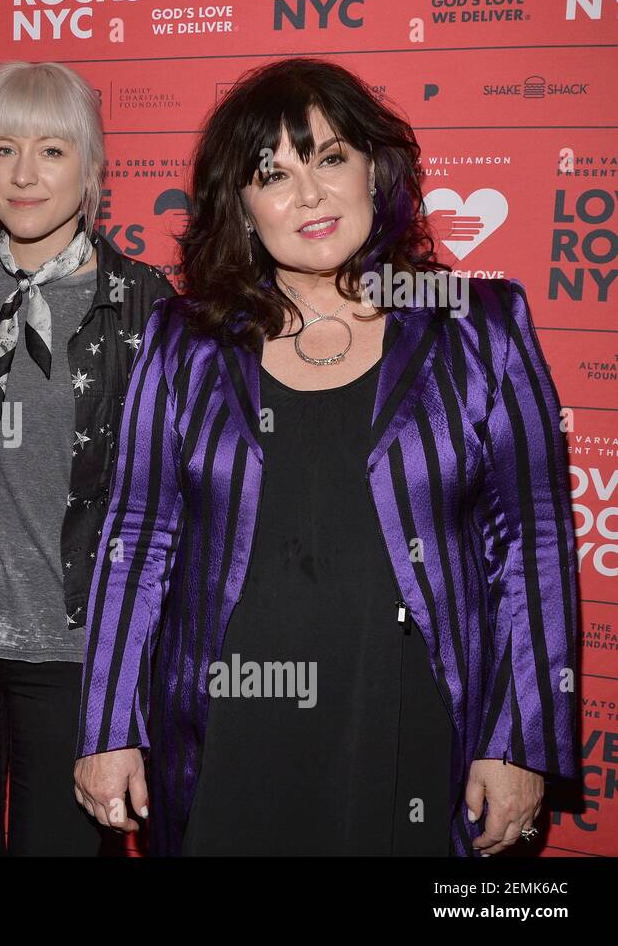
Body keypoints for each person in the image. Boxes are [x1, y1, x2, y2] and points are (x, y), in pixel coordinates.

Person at [73, 58, 578, 857]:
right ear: (240, 206)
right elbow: (138, 535)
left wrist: (518, 739)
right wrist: (105, 725)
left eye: (331, 157)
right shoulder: (186, 339)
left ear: (376, 170)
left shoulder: (476, 324)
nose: (309, 193)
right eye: (273, 174)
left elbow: (534, 540)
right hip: (226, 719)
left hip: (409, 720)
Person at [0, 61, 176, 855]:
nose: (22, 175)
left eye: (51, 151)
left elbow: (167, 503)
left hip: (74, 645)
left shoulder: (146, 305)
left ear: (91, 167)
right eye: (1, 148)